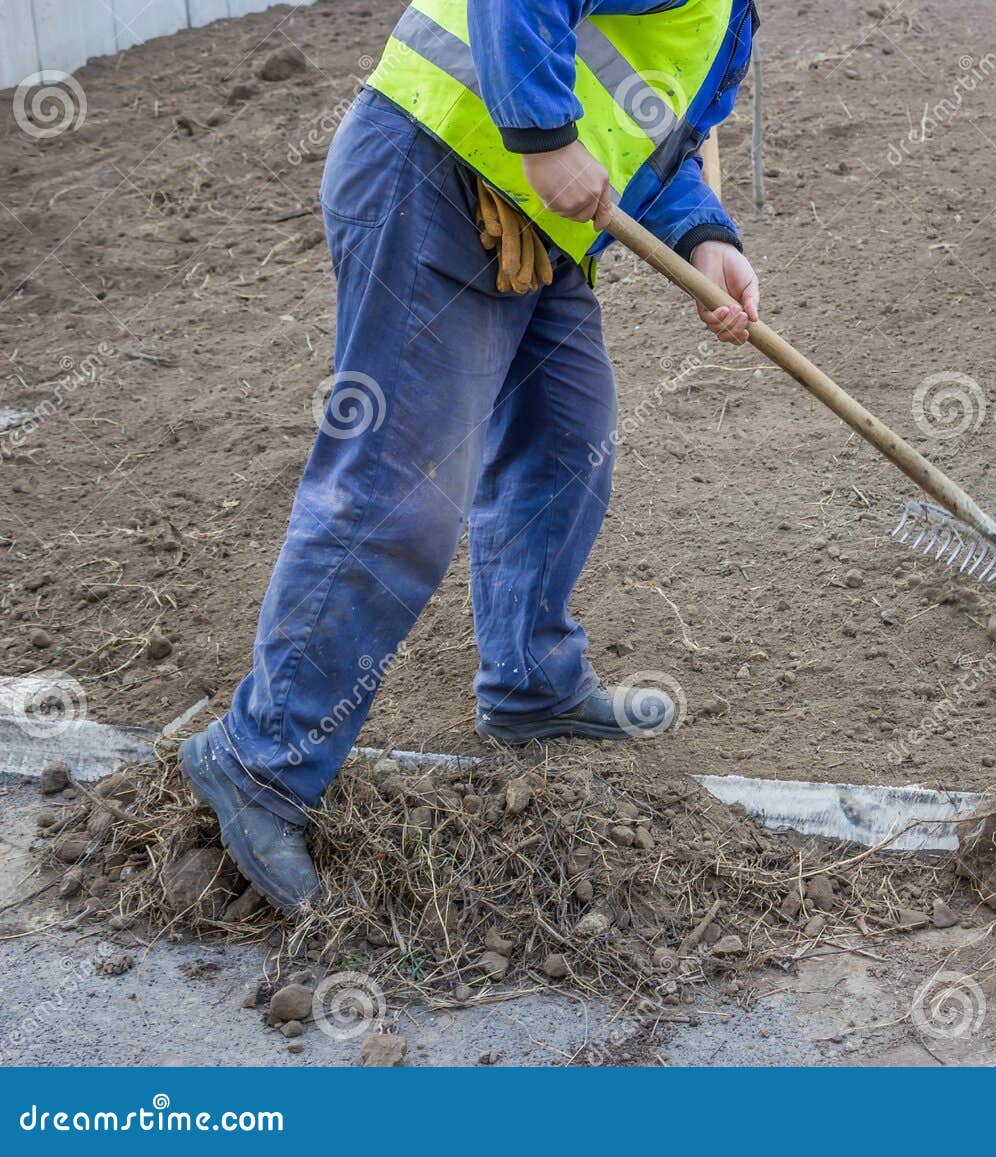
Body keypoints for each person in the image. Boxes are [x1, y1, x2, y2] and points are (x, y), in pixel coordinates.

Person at [178, 0, 761, 912]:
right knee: (397, 495)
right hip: (434, 174)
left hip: (537, 227)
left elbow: (646, 136)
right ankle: (261, 758)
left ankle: (529, 682)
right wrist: (543, 134)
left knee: (569, 442)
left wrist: (707, 236)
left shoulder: (727, 21)